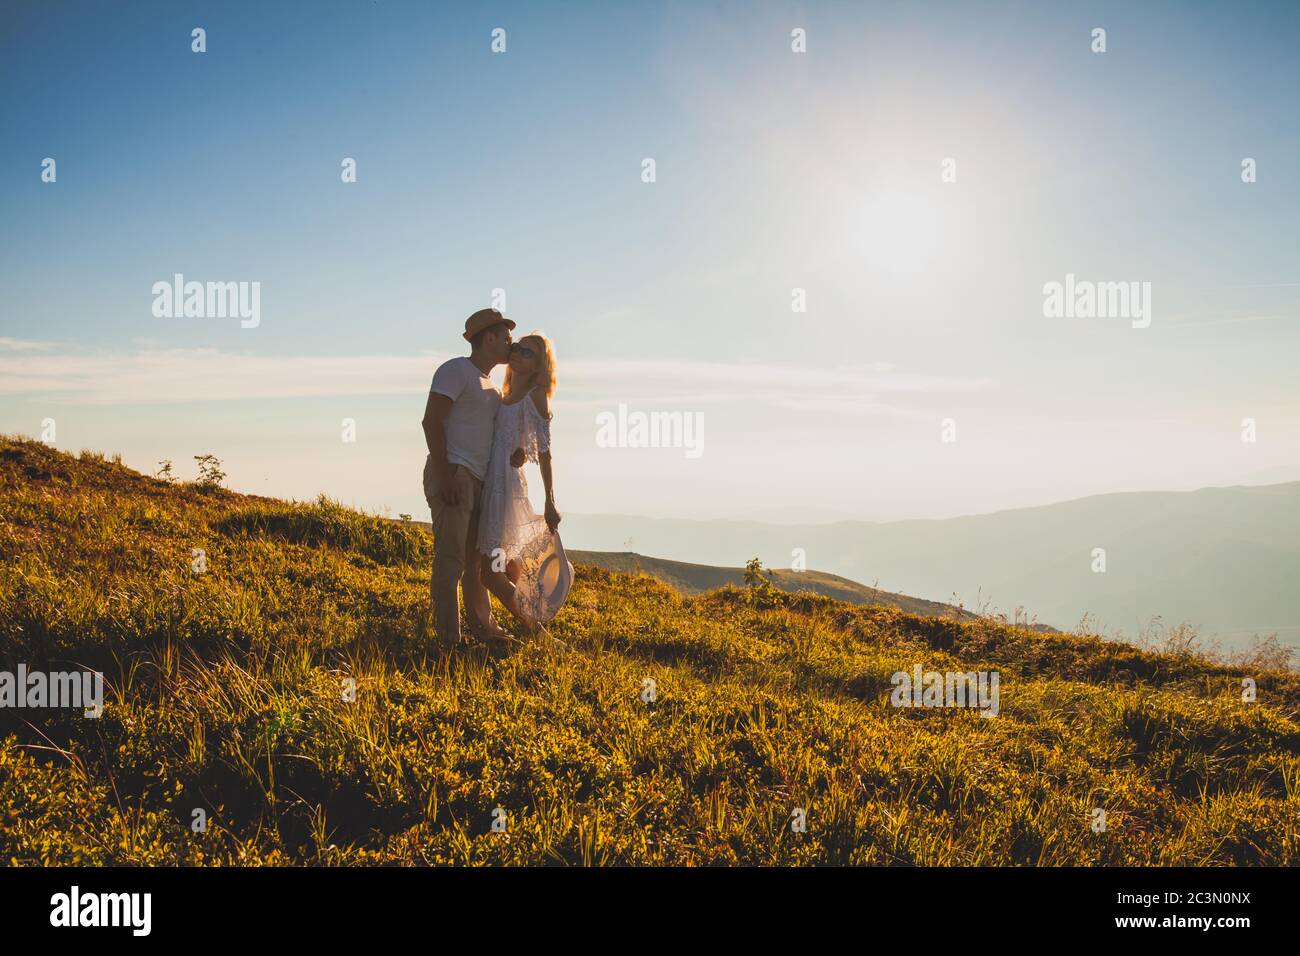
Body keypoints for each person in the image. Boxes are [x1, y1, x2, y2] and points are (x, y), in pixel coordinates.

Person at [420, 308, 514, 649]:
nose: (510, 344)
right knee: (451, 561)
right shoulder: (455, 370)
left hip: (477, 481)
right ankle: (448, 640)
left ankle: (484, 630)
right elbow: (432, 421)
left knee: (474, 563)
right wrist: (446, 475)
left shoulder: (491, 386)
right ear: (488, 338)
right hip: (455, 473)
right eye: (506, 338)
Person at [476, 332, 562, 634]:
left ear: (539, 365)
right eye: (518, 348)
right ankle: (532, 624)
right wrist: (519, 451)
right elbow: (516, 440)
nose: (517, 352)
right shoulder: (505, 392)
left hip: (506, 488)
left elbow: (546, 451)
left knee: (490, 572)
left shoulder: (536, 395)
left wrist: (550, 500)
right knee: (510, 566)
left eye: (527, 352)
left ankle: (536, 630)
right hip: (490, 482)